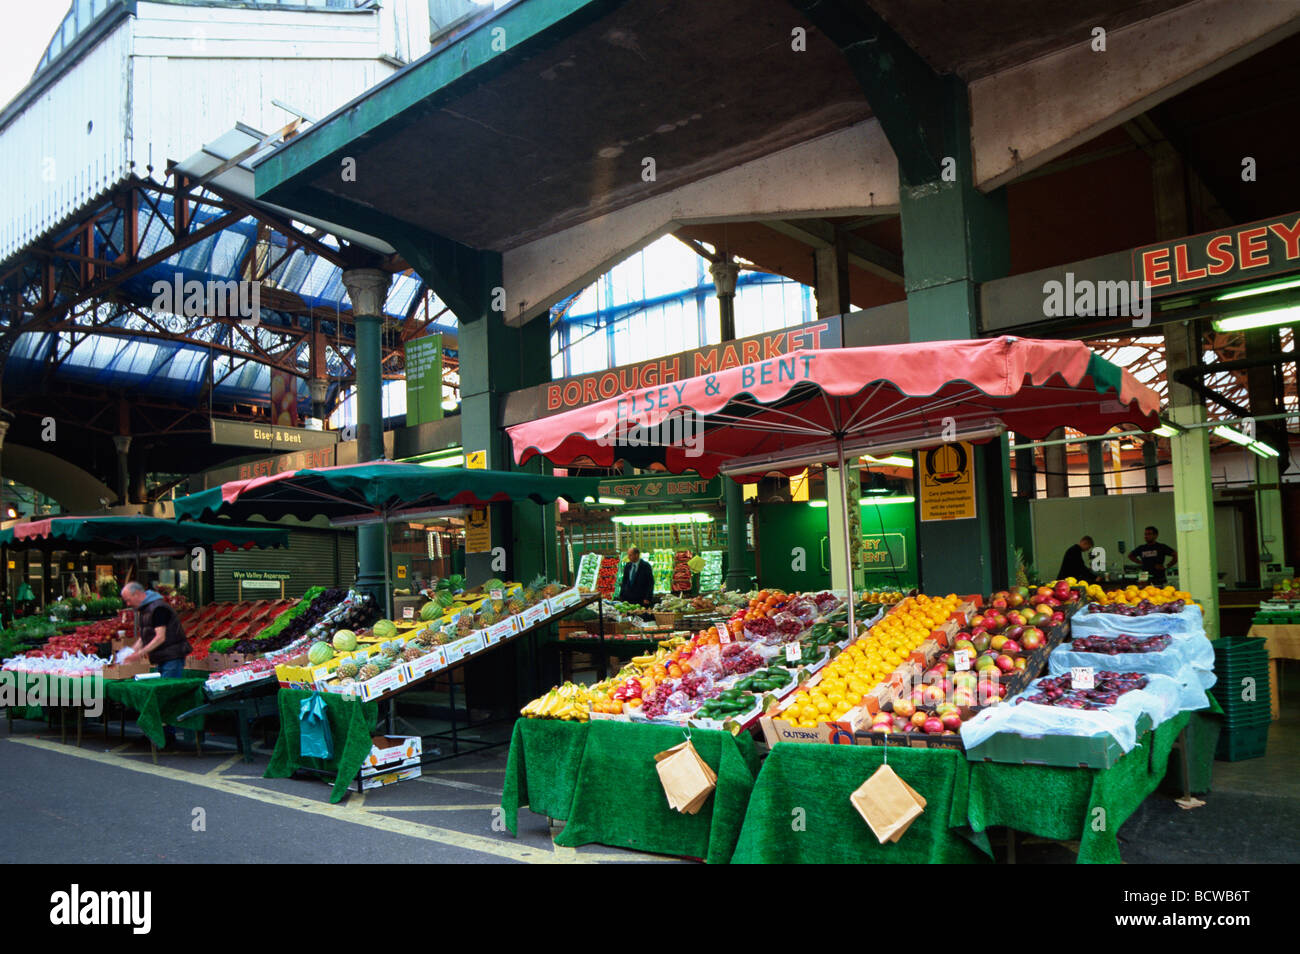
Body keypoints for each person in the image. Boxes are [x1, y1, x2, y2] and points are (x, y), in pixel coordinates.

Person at [121, 582, 191, 679]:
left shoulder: (158, 608)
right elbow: (145, 636)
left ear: (137, 594)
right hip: (162, 657)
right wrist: (131, 651)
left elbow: (160, 637)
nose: (128, 604)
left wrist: (139, 653)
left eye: (128, 600)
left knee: (168, 688)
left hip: (171, 657)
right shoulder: (145, 610)